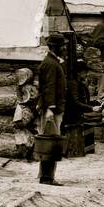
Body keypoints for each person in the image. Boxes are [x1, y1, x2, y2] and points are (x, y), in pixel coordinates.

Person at [36, 33, 67, 185]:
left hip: (52, 108)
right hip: (51, 110)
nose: (64, 48)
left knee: (50, 142)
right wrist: (49, 108)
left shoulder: (52, 62)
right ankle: (47, 177)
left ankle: (46, 175)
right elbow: (49, 88)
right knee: (50, 143)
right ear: (56, 47)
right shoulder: (51, 64)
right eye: (62, 46)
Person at [13, 67, 38, 160]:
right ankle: (26, 151)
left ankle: (28, 151)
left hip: (28, 111)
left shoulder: (29, 88)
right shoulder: (23, 90)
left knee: (28, 131)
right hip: (24, 111)